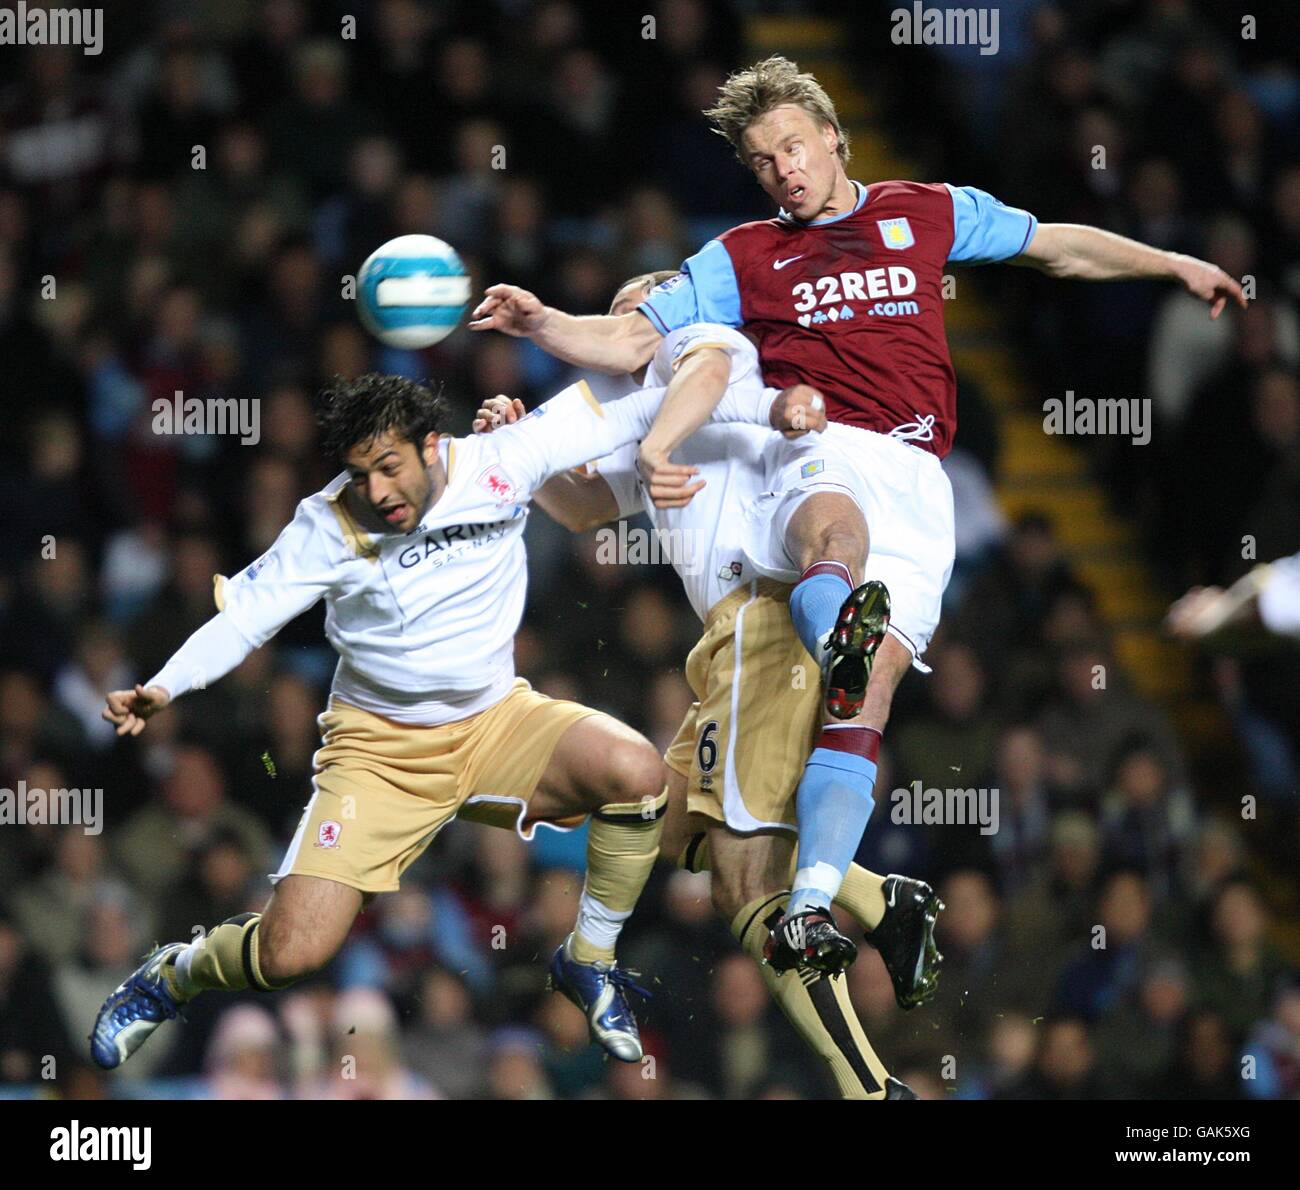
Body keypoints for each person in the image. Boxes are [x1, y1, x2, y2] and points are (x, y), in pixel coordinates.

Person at [469, 55, 1246, 968]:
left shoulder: (925, 210)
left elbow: (1055, 244)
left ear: (834, 137)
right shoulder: (741, 259)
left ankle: (809, 902)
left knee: (864, 701)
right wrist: (543, 322)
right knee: (829, 537)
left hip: (923, 478)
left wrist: (1171, 263)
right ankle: (831, 640)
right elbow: (637, 335)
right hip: (823, 445)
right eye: (761, 162)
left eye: (792, 146)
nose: (782, 169)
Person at [91, 367, 795, 1074]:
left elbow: (644, 403)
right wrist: (162, 685)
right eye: (360, 474)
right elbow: (241, 621)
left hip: (497, 721)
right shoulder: (327, 524)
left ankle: (589, 958)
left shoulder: (506, 457)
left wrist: (772, 403)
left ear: (432, 446)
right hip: (381, 753)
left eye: (390, 467)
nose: (378, 492)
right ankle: (173, 974)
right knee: (289, 953)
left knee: (636, 772)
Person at [473, 271, 939, 1099]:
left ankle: (871, 1089)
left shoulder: (705, 348)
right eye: (625, 299)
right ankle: (880, 898)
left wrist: (633, 414)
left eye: (647, 294)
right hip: (726, 646)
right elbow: (583, 508)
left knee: (746, 883)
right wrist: (519, 447)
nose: (631, 306)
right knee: (669, 821)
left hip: (764, 624)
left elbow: (712, 371)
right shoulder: (661, 408)